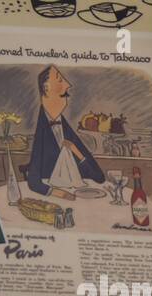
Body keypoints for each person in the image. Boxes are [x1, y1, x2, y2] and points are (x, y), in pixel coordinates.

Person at [27, 65, 104, 197]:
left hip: (80, 196)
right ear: (46, 89)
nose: (67, 85)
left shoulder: (65, 127)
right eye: (60, 80)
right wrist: (59, 193)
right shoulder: (42, 129)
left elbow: (99, 177)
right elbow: (33, 182)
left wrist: (76, 151)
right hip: (55, 200)